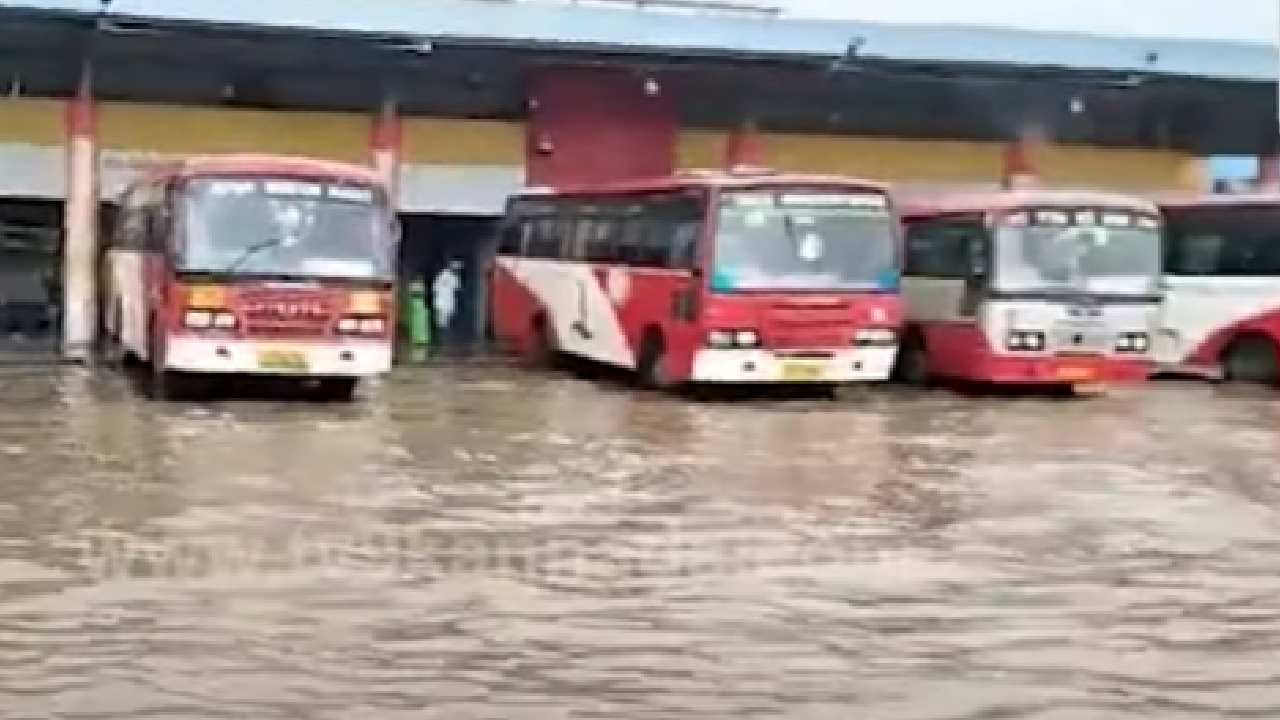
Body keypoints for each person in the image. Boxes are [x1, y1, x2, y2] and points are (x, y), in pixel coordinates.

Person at [432, 259, 463, 341]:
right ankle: (440, 338)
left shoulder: (454, 277)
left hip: (448, 300)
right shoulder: (443, 275)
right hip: (442, 300)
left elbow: (457, 287)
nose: (457, 271)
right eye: (456, 269)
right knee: (441, 320)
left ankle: (443, 338)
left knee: (446, 319)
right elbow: (435, 287)